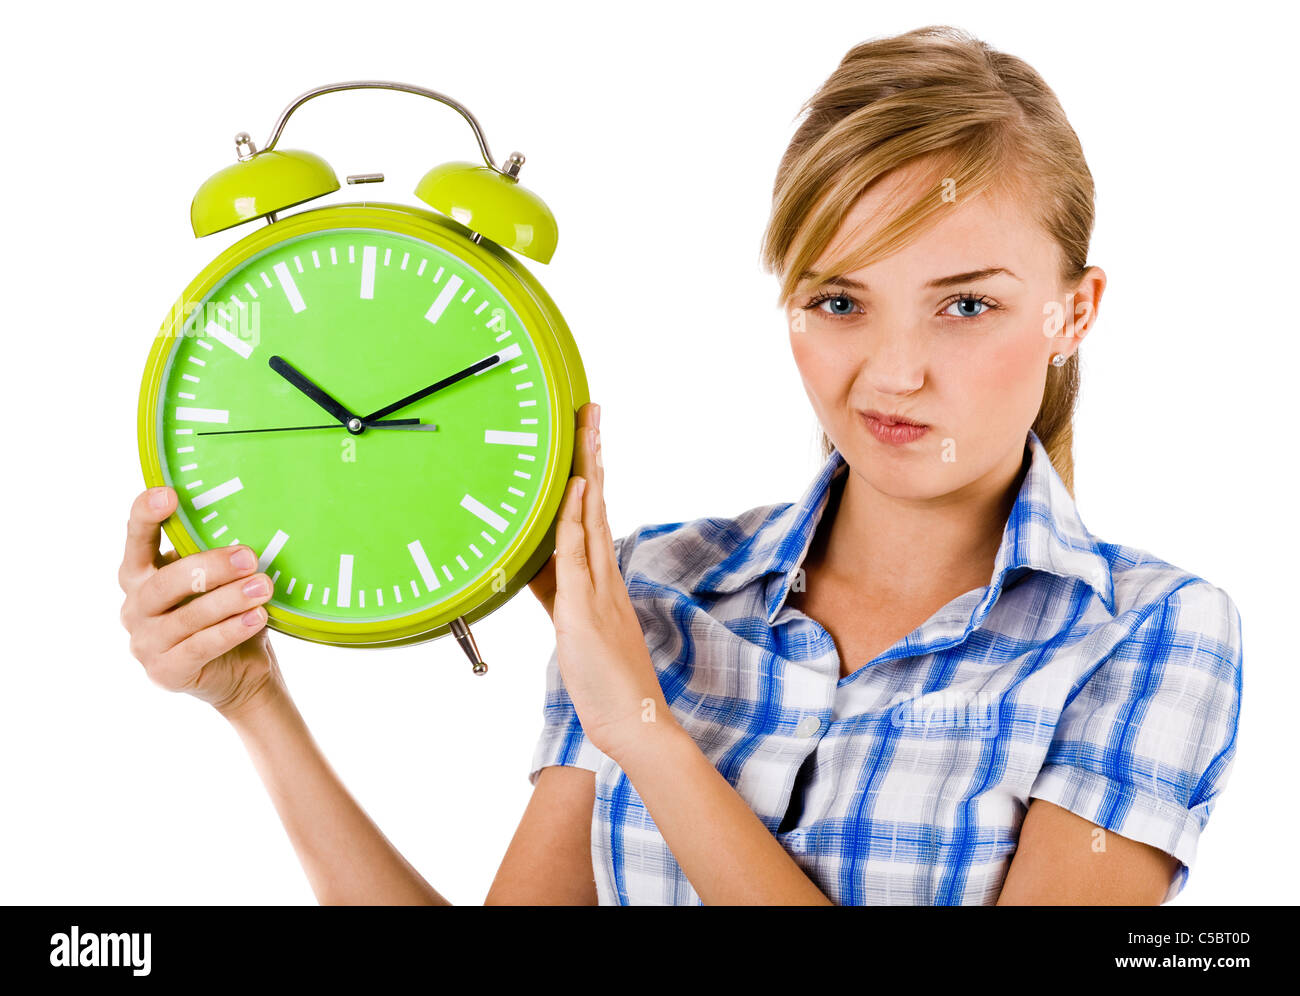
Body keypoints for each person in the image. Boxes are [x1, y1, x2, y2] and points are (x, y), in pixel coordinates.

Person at [119, 24, 1242, 905]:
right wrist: (254, 702)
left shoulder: (1148, 635)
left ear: (1072, 311)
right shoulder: (650, 590)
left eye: (965, 304)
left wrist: (646, 732)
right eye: (839, 300)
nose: (893, 373)